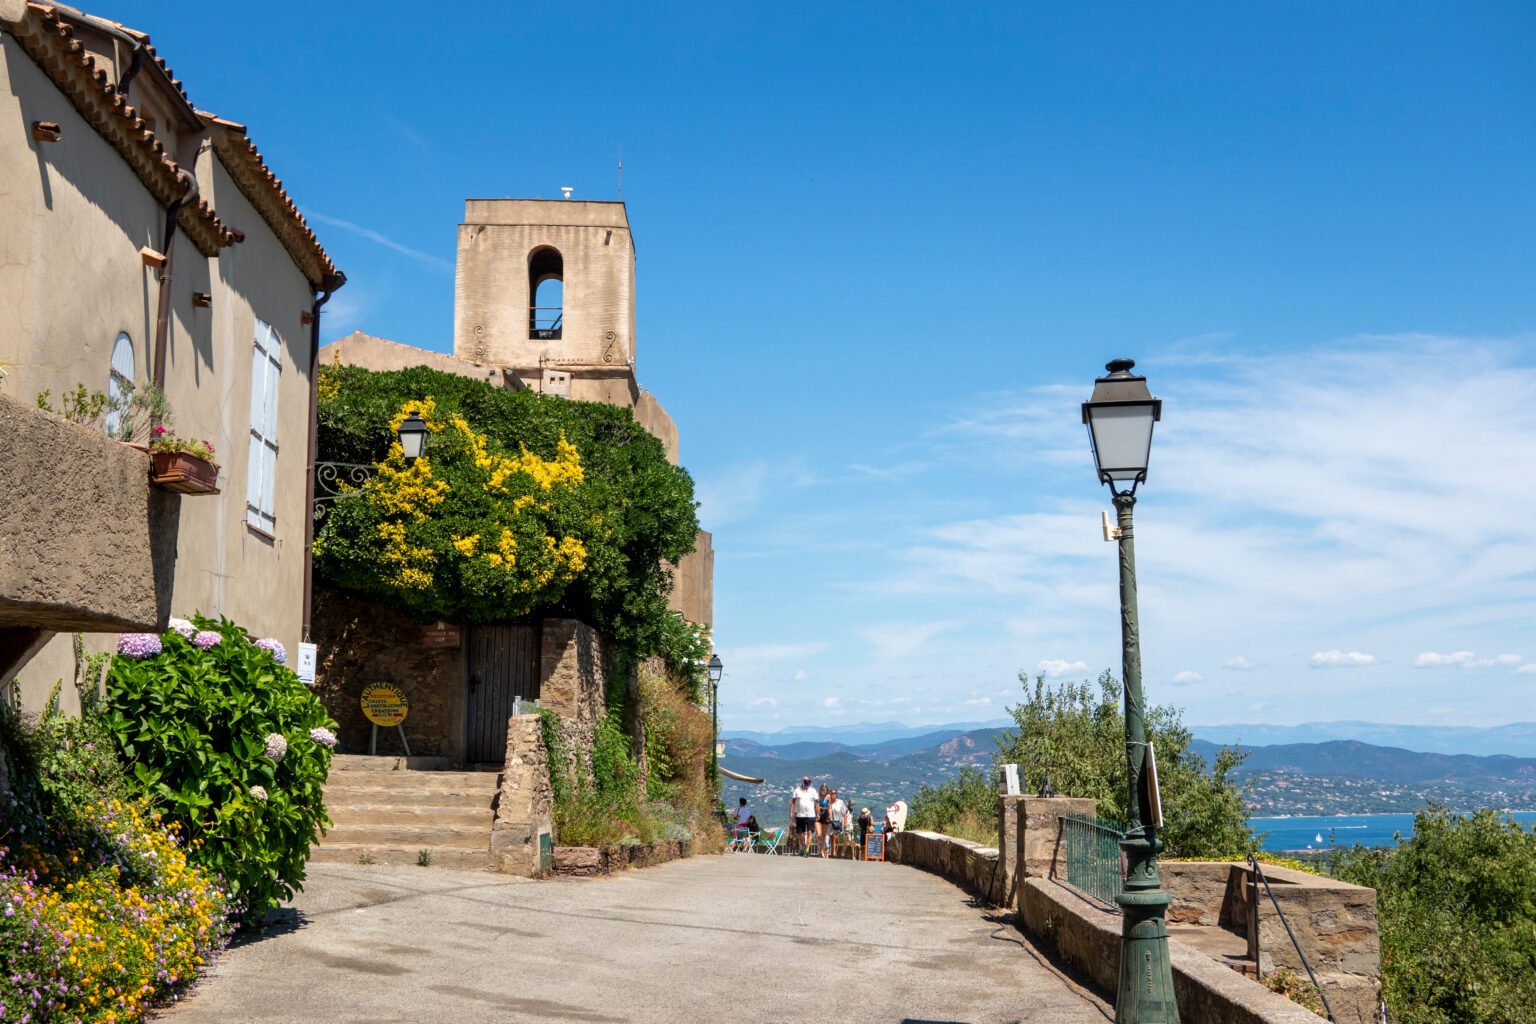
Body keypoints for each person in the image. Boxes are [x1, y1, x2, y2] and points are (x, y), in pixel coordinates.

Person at [789, 776, 819, 855]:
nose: (807, 783)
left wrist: (818, 813)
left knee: (809, 832)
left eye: (808, 781)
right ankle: (803, 846)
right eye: (806, 781)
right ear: (803, 781)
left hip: (810, 815)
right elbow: (792, 802)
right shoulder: (797, 791)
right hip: (799, 815)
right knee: (799, 833)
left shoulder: (813, 791)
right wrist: (791, 813)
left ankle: (807, 849)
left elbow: (816, 803)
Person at [828, 789, 848, 856]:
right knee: (831, 837)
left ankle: (834, 851)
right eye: (832, 793)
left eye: (834, 793)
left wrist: (845, 823)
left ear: (836, 794)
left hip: (838, 822)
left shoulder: (840, 802)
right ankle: (833, 852)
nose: (833, 794)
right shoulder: (828, 803)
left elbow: (844, 813)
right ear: (830, 794)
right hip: (831, 823)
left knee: (835, 837)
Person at [816, 784, 832, 859]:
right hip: (818, 814)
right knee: (819, 834)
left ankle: (822, 850)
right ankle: (821, 848)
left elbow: (829, 807)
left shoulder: (828, 797)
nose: (823, 792)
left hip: (825, 813)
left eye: (825, 790)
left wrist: (830, 816)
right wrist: (817, 813)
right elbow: (816, 805)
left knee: (824, 835)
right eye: (822, 790)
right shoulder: (817, 795)